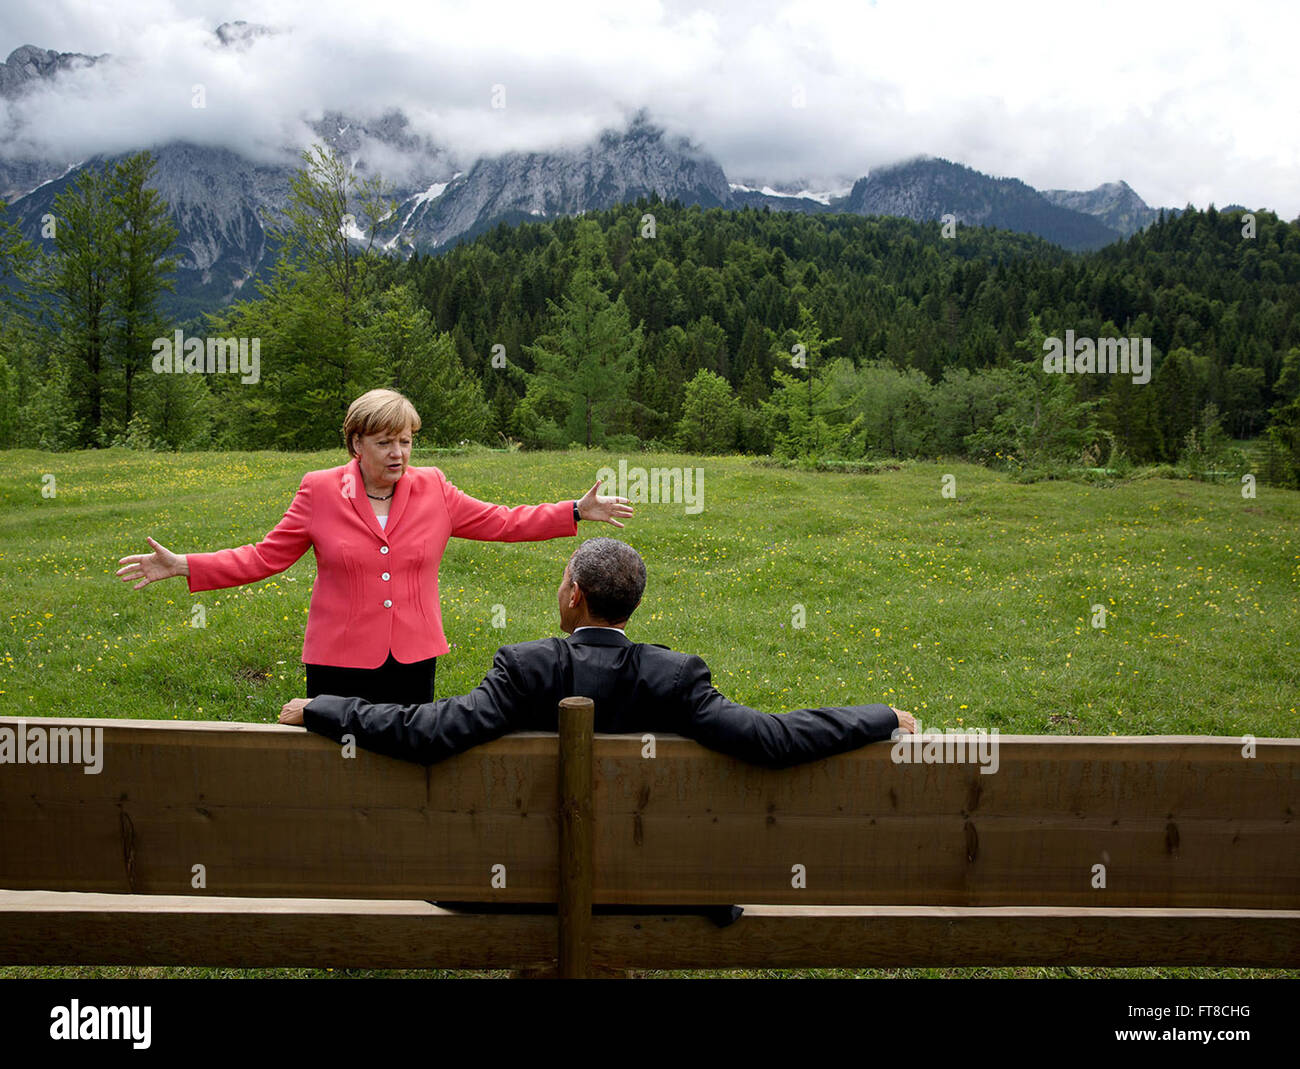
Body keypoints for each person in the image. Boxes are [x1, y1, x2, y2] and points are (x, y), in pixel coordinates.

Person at [115, 388, 633, 705]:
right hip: (338, 659)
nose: (398, 452)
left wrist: (574, 511)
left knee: (405, 756)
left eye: (405, 440)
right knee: (336, 767)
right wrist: (186, 565)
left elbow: (501, 520)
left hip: (412, 657)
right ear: (356, 444)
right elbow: (266, 555)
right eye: (385, 441)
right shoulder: (319, 490)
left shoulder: (434, 487)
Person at [280, 537, 916, 767]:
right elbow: (774, 739)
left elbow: (427, 732)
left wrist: (325, 708)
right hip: (649, 883)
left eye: (563, 581)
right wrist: (882, 716)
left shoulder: (525, 669)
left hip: (514, 887)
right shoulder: (674, 678)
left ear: (575, 596)